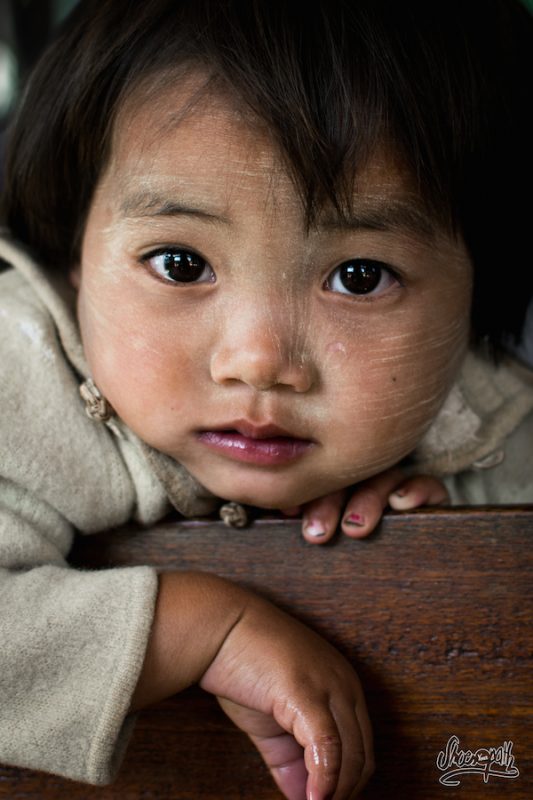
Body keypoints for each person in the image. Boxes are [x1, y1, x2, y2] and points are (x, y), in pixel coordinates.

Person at [0, 1, 531, 798]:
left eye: (359, 276)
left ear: (476, 291)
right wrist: (197, 635)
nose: (259, 362)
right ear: (70, 250)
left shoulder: (490, 415)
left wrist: (451, 514)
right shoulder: (21, 363)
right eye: (180, 263)